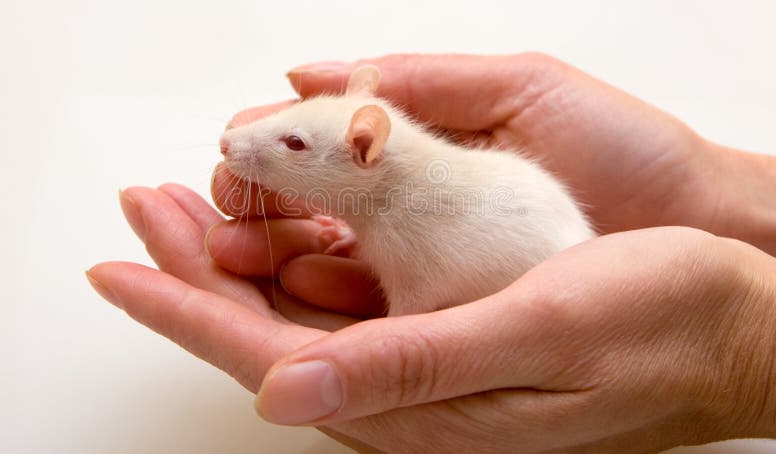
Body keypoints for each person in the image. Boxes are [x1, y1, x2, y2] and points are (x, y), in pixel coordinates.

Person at [87, 53, 776, 453]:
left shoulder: (411, 217)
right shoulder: (380, 199)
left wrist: (747, 350)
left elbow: (418, 292)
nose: (242, 146)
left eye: (291, 145)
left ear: (365, 153)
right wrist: (714, 191)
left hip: (546, 270)